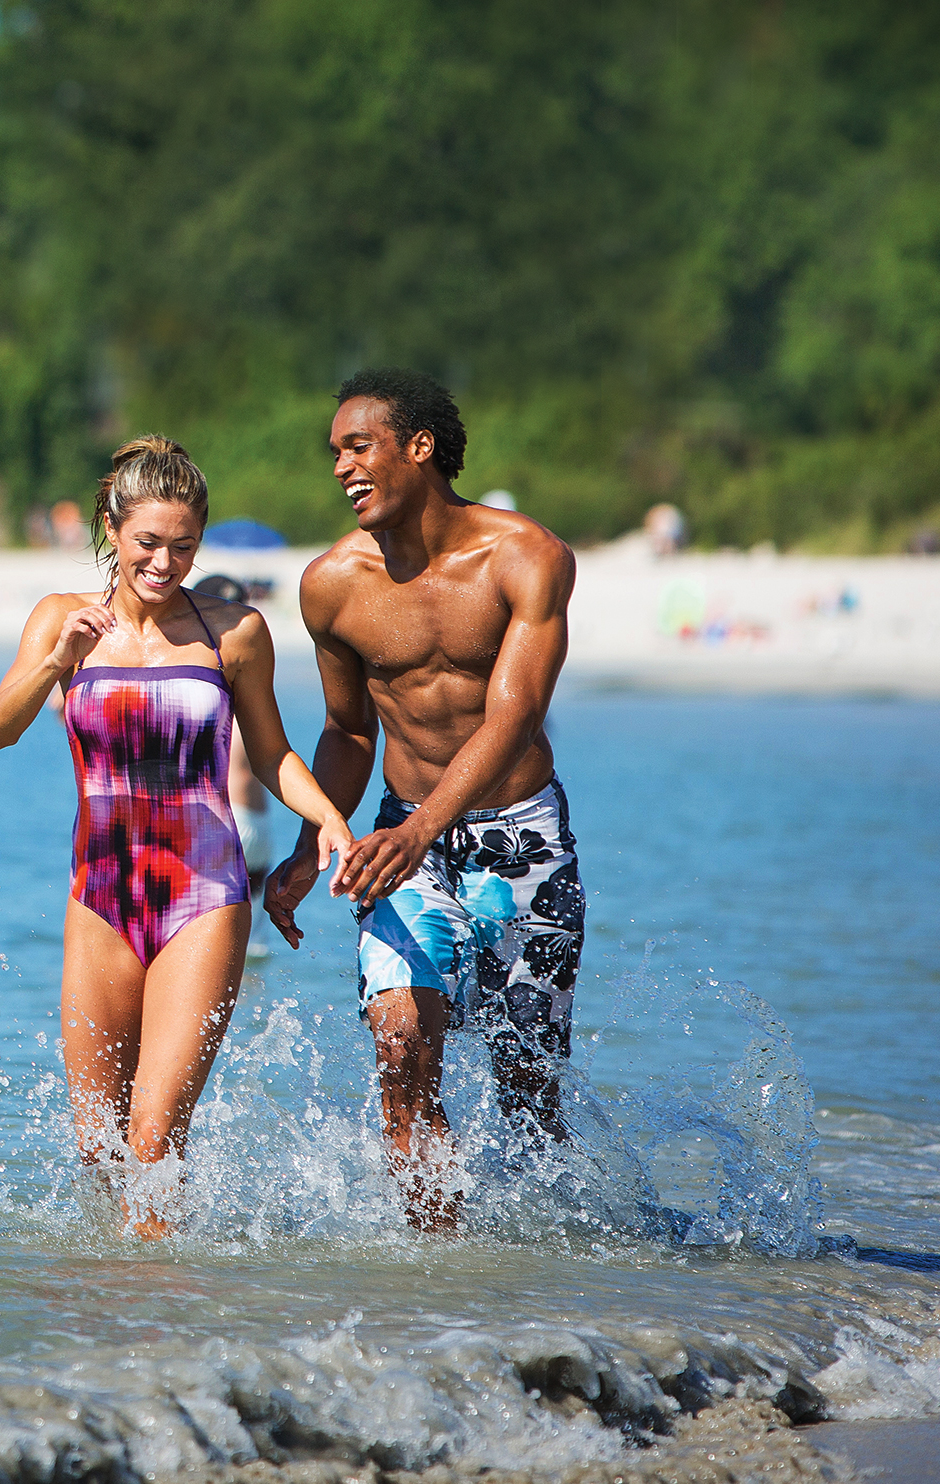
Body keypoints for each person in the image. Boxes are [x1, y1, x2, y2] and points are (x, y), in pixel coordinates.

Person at [0, 435, 355, 1238]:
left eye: (184, 546)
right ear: (112, 528)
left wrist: (325, 814)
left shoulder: (234, 633)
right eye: (149, 542)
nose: (164, 562)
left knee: (154, 1142)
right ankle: (115, 1332)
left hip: (206, 894)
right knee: (99, 1149)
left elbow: (273, 753)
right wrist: (58, 661)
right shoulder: (60, 618)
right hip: (100, 897)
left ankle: (160, 1333)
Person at [262, 369, 581, 1233]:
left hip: (521, 842)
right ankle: (438, 1282)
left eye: (356, 446)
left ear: (420, 447)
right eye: (333, 453)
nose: (340, 468)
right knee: (401, 1049)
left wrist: (424, 828)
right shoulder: (332, 584)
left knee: (528, 1088)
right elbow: (348, 734)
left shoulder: (528, 558)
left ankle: (540, 1275)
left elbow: (514, 719)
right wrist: (308, 844)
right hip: (404, 836)